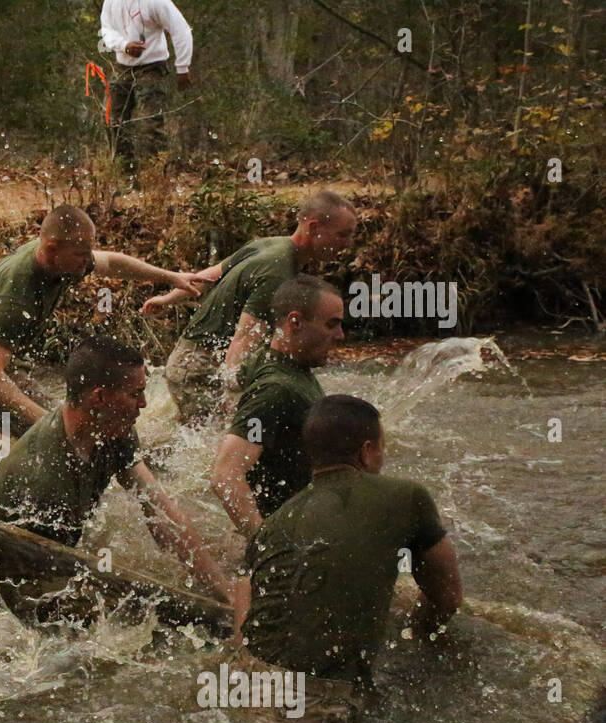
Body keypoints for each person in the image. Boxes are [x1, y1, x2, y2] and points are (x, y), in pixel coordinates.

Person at [0, 335, 232, 627]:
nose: (144, 403)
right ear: (99, 397)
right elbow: (36, 586)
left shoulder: (112, 428)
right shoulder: (45, 478)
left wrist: (222, 591)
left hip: (47, 557)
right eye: (135, 393)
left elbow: (159, 508)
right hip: (0, 582)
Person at [235, 395, 463, 689]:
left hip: (245, 684)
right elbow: (448, 598)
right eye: (382, 448)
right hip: (324, 696)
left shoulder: (273, 522)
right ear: (366, 452)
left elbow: (242, 628)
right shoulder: (406, 496)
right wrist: (416, 638)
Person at [0, 204, 206, 438]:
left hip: (10, 362)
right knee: (69, 431)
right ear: (51, 248)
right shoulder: (16, 292)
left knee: (69, 422)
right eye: (81, 254)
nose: (87, 261)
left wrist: (170, 277)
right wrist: (54, 426)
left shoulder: (63, 258)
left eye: (88, 252)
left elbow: (112, 263)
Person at [150, 189, 356, 423]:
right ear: (313, 228)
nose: (347, 244)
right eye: (342, 235)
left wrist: (167, 298)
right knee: (222, 441)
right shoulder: (277, 272)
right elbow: (244, 339)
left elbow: (211, 275)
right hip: (200, 367)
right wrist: (235, 398)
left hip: (189, 360)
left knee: (194, 434)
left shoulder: (271, 245)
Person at [211, 275, 344, 536]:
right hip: (292, 537)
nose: (340, 335)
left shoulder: (276, 360)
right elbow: (226, 474)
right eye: (332, 324)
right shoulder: (275, 391)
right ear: (294, 322)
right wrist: (266, 545)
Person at [98, 0, 194, 173]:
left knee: (150, 122)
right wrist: (124, 46)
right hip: (122, 67)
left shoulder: (156, 2)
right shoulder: (111, 2)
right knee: (113, 121)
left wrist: (183, 67)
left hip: (153, 66)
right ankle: (125, 173)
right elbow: (106, 29)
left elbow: (180, 29)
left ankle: (155, 173)